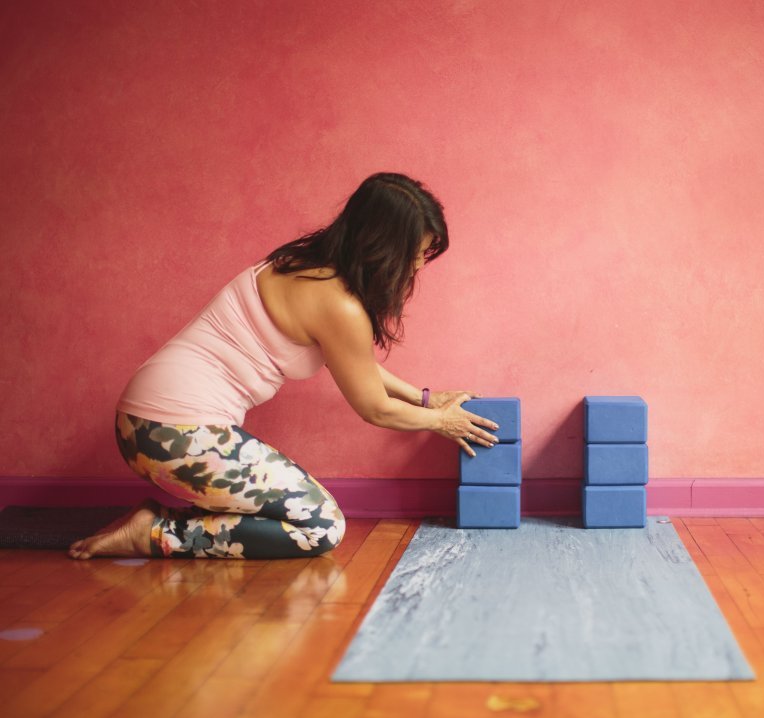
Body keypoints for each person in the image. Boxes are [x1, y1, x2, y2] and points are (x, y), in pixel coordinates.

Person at [69, 172, 499, 560]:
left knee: (293, 514)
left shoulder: (302, 265)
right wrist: (441, 421)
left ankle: (163, 519)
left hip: (142, 424)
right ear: (385, 245)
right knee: (322, 527)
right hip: (175, 433)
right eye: (417, 252)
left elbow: (352, 364)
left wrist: (425, 398)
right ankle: (157, 532)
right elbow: (374, 408)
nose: (420, 264)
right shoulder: (340, 306)